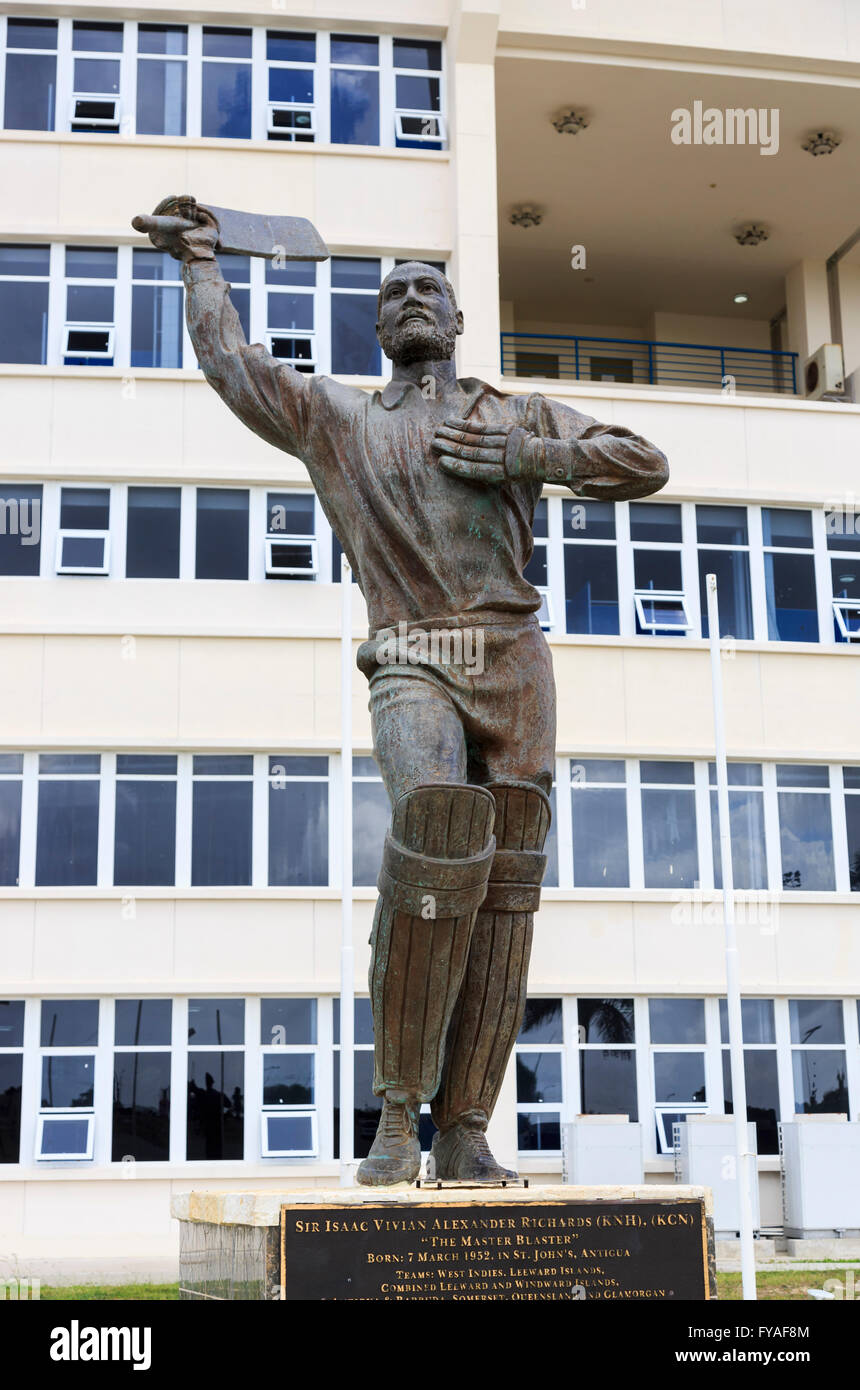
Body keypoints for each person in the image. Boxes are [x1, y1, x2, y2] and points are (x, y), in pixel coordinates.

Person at [134, 204, 669, 1185]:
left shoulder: (514, 414)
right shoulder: (337, 420)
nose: (412, 300)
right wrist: (200, 263)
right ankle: (394, 1111)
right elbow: (235, 367)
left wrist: (530, 457)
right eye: (394, 293)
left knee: (506, 896)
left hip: (513, 661)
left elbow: (643, 462)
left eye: (430, 290)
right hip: (411, 652)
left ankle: (464, 1130)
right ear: (376, 329)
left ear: (457, 320)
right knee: (434, 829)